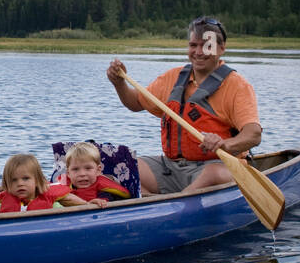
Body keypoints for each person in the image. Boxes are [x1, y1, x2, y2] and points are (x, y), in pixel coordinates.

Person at [106, 16, 261, 195]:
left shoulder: (237, 86)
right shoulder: (173, 77)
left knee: (213, 174)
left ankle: (172, 202)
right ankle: (155, 199)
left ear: (222, 48)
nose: (198, 52)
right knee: (124, 166)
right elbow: (135, 103)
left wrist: (225, 144)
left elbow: (253, 134)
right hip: (171, 168)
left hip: (217, 167)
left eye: (206, 46)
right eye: (193, 45)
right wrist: (119, 83)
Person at [0, 153, 102, 213]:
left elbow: (69, 218)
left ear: (37, 181)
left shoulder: (50, 203)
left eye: (25, 179)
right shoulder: (2, 206)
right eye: (14, 180)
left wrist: (88, 205)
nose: (20, 184)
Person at [60, 141, 133, 203]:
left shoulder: (104, 191)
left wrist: (99, 202)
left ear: (98, 170)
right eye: (75, 169)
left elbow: (108, 201)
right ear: (68, 173)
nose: (82, 174)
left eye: (88, 168)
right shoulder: (63, 186)